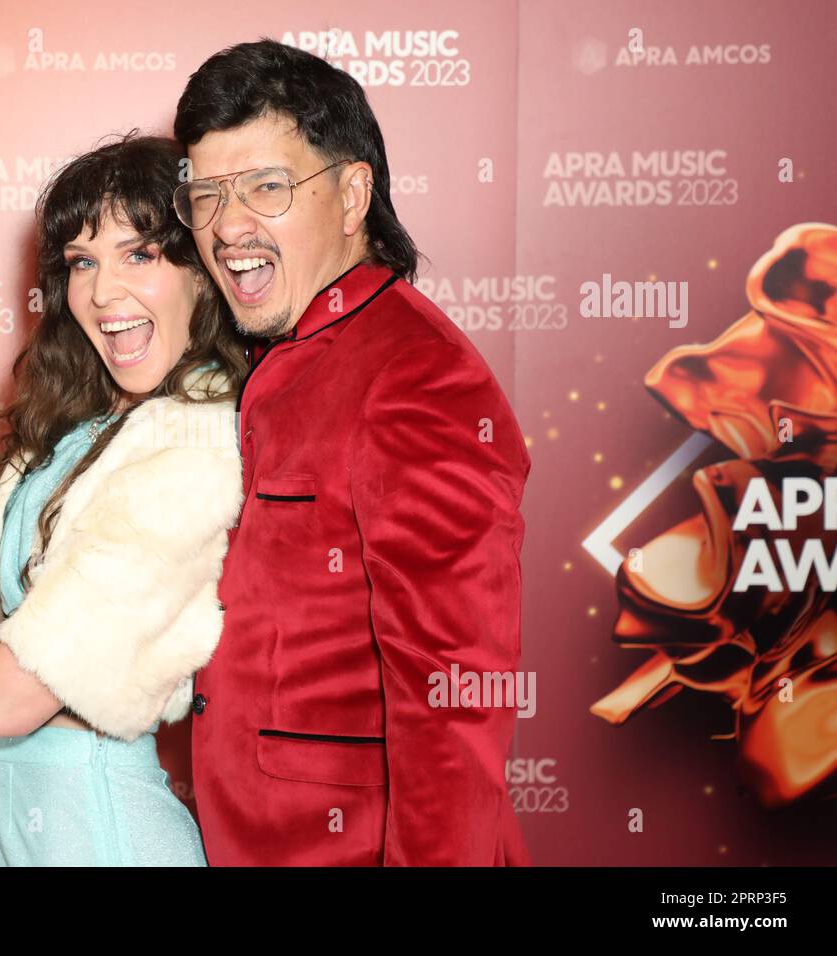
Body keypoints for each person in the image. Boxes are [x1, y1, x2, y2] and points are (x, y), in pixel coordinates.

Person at [172, 39, 533, 866]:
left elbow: (453, 709)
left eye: (267, 186)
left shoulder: (418, 380)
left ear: (352, 195)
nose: (229, 227)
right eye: (207, 195)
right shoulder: (287, 353)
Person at [0, 133, 246, 866]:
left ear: (200, 271)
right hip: (6, 824)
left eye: (139, 254)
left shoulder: (197, 444)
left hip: (100, 829)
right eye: (81, 263)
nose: (101, 293)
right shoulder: (70, 428)